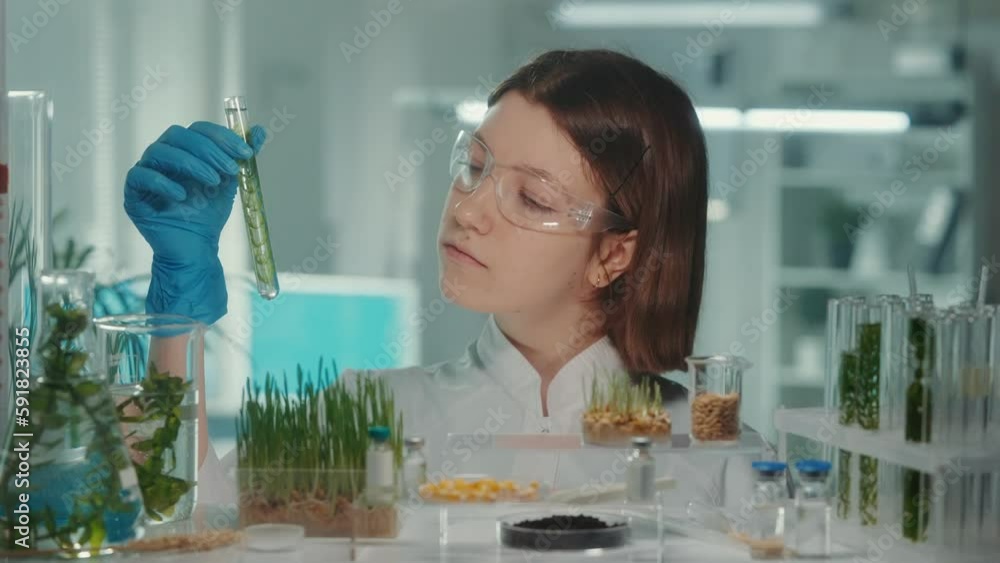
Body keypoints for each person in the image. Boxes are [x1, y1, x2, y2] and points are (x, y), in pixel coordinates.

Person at [125, 49, 753, 509]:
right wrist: (175, 316)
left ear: (615, 255)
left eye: (531, 198)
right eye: (475, 166)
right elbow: (185, 511)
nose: (468, 209)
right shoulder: (366, 416)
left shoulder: (713, 453)